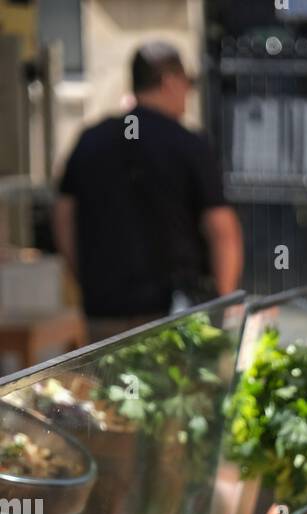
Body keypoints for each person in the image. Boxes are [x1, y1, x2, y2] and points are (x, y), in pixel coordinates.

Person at [54, 41, 243, 341]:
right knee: (174, 388)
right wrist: (225, 301)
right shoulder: (189, 144)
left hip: (104, 311)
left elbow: (64, 217)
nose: (188, 93)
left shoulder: (90, 140)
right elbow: (222, 230)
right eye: (188, 83)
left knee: (111, 386)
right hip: (174, 316)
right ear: (169, 81)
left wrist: (86, 279)